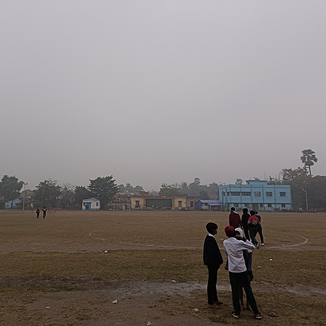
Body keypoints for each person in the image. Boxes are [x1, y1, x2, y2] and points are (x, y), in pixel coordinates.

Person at [223, 226, 262, 320]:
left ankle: (237, 312)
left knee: (235, 291)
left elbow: (227, 253)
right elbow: (252, 247)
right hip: (242, 269)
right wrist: (245, 240)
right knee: (248, 290)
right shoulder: (240, 243)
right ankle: (256, 312)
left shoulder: (225, 242)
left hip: (232, 270)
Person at [203, 222, 224, 308]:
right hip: (212, 264)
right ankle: (211, 301)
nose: (216, 231)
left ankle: (215, 298)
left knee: (213, 281)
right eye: (216, 229)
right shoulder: (210, 240)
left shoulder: (209, 238)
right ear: (213, 230)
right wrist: (218, 261)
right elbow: (212, 253)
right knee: (211, 281)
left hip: (212, 263)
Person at [234, 227, 254, 311]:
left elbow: (250, 256)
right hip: (239, 268)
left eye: (238, 233)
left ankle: (248, 304)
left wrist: (249, 267)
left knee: (247, 287)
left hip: (246, 269)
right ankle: (241, 303)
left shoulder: (246, 243)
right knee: (239, 288)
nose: (237, 235)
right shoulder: (234, 243)